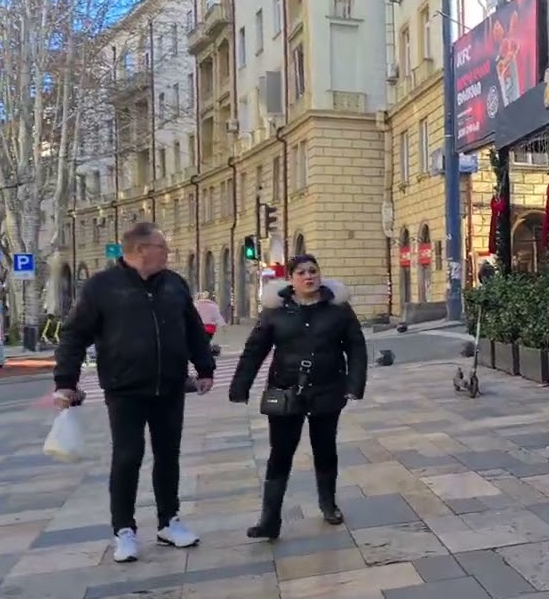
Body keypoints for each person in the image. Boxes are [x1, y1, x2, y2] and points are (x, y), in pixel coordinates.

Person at [53, 222, 215, 563]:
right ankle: (123, 530)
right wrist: (65, 381)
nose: (167, 252)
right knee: (128, 457)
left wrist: (204, 368)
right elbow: (74, 335)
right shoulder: (102, 286)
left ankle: (169, 522)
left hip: (170, 386)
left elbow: (193, 328)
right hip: (124, 389)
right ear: (141, 249)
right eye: (162, 246)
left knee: (168, 456)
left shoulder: (173, 283)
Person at [229, 254, 367, 540]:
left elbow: (356, 347)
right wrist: (240, 386)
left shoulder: (338, 310)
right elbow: (255, 349)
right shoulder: (275, 312)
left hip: (328, 390)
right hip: (285, 390)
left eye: (313, 271)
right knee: (280, 455)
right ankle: (270, 519)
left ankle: (328, 505)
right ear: (290, 279)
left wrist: (355, 385)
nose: (308, 277)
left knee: (325, 448)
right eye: (301, 272)